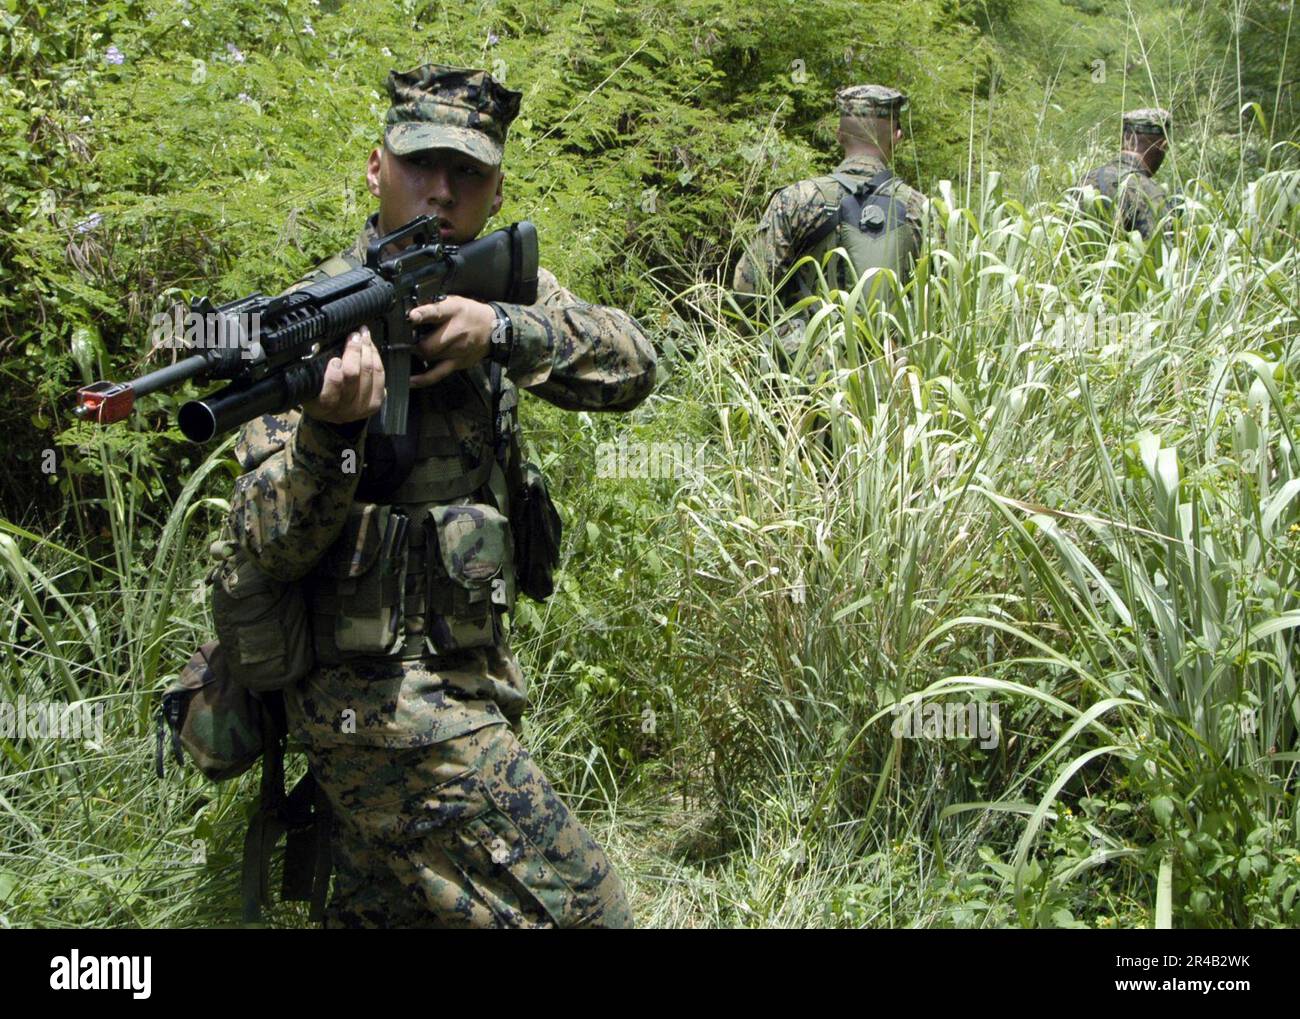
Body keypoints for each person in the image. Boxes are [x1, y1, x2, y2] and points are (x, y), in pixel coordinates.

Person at [224, 64, 655, 928]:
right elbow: (256, 548)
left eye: (469, 174)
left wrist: (499, 330)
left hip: (465, 678)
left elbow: (635, 364)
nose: (442, 192)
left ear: (497, 193)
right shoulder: (315, 315)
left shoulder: (489, 284)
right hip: (371, 703)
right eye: (422, 165)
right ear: (376, 168)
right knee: (590, 910)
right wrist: (327, 440)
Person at [732, 83, 929, 364]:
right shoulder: (921, 209)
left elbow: (749, 293)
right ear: (897, 136)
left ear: (839, 135)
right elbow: (940, 305)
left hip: (806, 384)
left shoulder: (797, 199)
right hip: (894, 379)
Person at [1075, 108, 1173, 240]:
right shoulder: (1149, 192)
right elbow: (1160, 253)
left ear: (1123, 139)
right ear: (1163, 145)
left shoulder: (1085, 180)